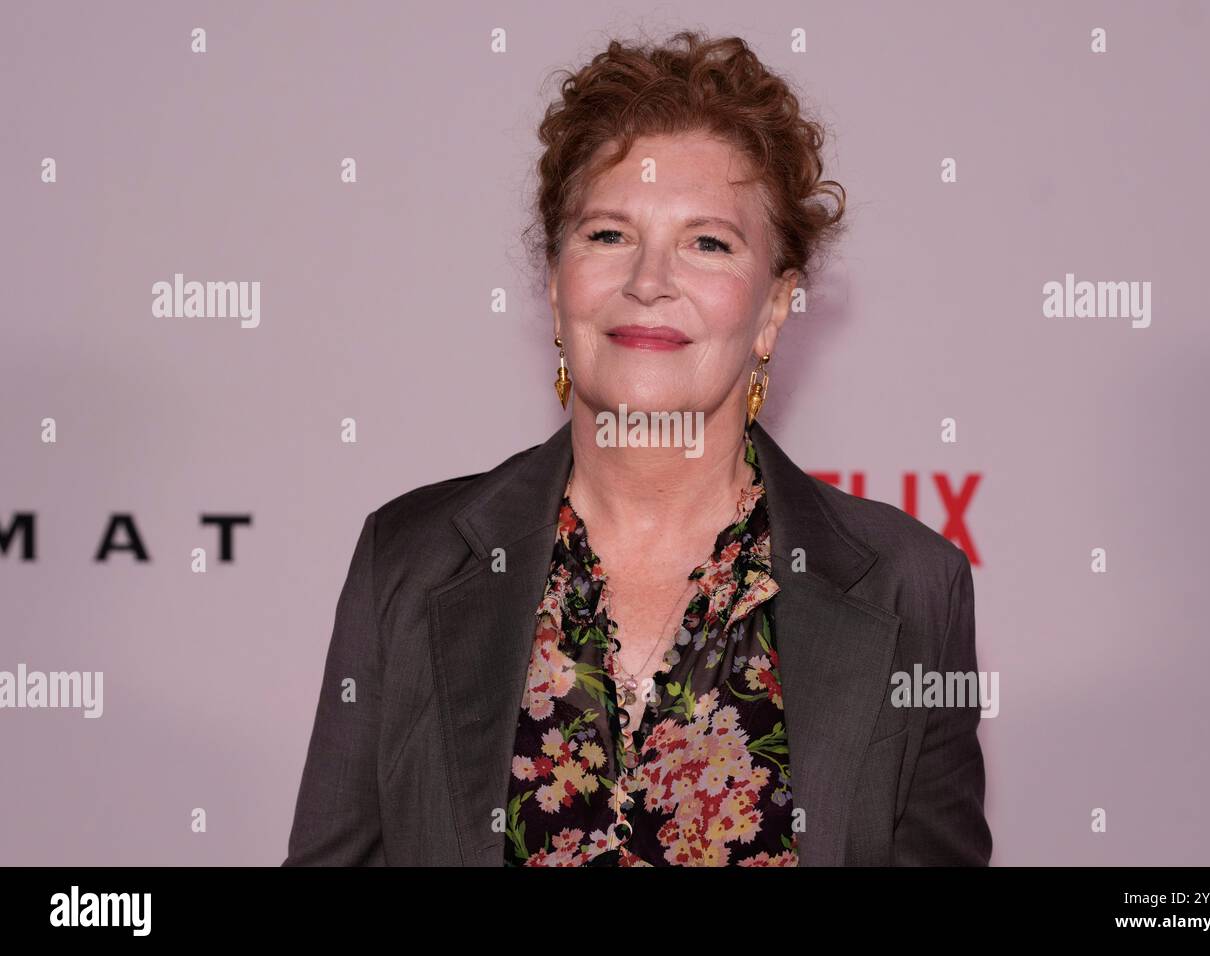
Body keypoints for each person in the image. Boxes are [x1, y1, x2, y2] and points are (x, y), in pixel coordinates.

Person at [283, 30, 991, 867]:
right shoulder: (409, 560)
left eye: (709, 243)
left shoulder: (912, 588)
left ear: (773, 309)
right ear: (554, 287)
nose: (648, 280)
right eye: (609, 235)